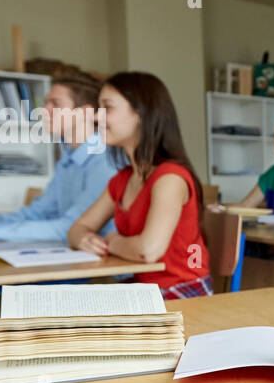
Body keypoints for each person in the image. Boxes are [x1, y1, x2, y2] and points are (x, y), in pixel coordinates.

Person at [68, 71, 212, 299]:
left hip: (181, 292)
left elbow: (148, 251)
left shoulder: (170, 178)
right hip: (141, 288)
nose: (97, 117)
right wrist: (83, 239)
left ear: (141, 114)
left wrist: (112, 241)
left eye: (108, 108)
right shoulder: (122, 179)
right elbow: (77, 229)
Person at [0, 67, 118, 242]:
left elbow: (72, 228)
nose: (44, 110)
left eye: (56, 104)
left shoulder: (105, 160)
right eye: (46, 103)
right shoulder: (68, 159)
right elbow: (37, 213)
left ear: (85, 112)